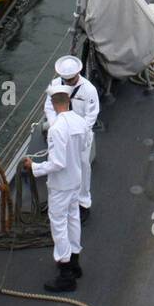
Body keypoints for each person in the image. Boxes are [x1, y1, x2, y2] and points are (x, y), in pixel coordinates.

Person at [25, 88, 91, 292]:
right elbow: (84, 147)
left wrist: (34, 167)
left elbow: (57, 163)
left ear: (53, 103)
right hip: (76, 181)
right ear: (68, 100)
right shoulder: (81, 122)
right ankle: (75, 262)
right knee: (73, 219)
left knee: (59, 225)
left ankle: (65, 274)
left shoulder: (56, 129)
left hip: (61, 186)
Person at [43, 55, 100, 220]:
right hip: (60, 133)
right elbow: (49, 106)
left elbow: (91, 115)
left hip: (80, 135)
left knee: (82, 166)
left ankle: (83, 202)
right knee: (55, 164)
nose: (68, 82)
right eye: (65, 80)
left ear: (78, 74)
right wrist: (56, 126)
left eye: (71, 79)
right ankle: (57, 200)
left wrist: (77, 132)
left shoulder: (89, 89)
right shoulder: (55, 85)